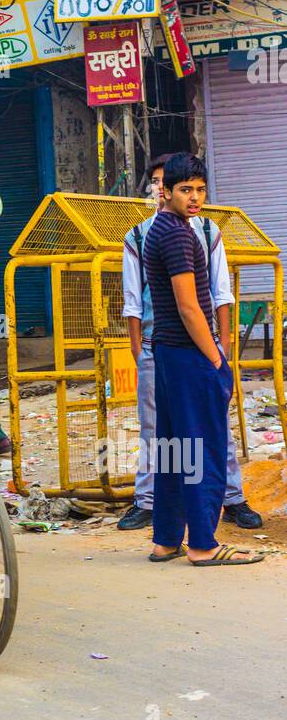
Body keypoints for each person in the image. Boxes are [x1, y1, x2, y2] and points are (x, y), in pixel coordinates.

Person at [119, 153, 262, 531]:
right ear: (161, 190)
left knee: (203, 431)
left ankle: (224, 501)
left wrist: (221, 347)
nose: (192, 196)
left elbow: (220, 294)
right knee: (172, 434)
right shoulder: (150, 234)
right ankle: (179, 521)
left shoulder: (203, 231)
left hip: (184, 347)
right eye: (183, 188)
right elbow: (173, 304)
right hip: (171, 348)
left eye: (198, 189)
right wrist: (142, 351)